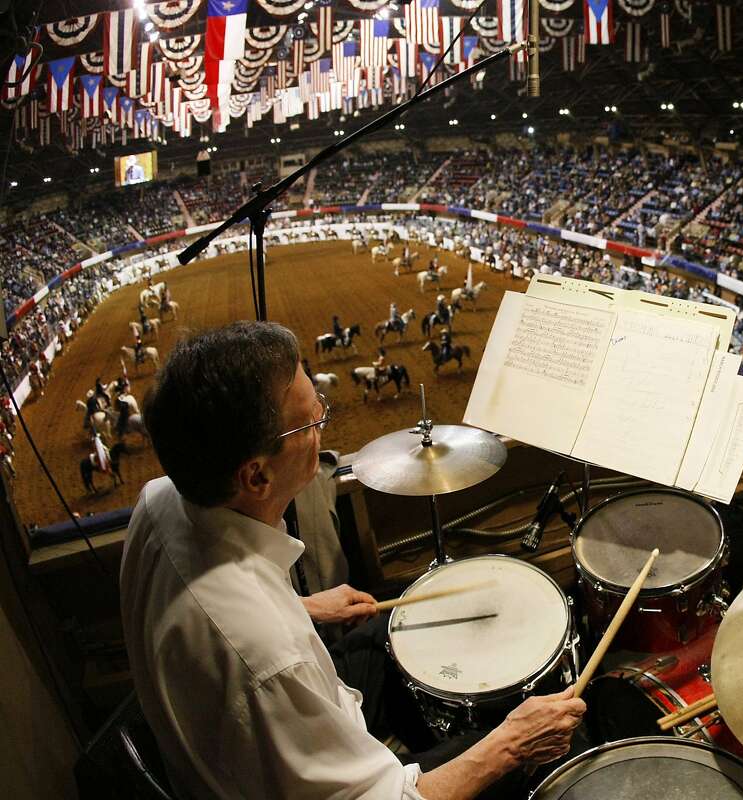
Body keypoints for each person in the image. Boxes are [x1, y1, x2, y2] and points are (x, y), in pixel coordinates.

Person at [122, 322, 585, 798]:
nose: (323, 420)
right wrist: (510, 744)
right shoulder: (268, 658)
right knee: (549, 747)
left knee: (397, 621)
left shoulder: (157, 503)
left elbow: (212, 620)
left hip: (263, 719)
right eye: (311, 421)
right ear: (256, 475)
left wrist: (304, 607)